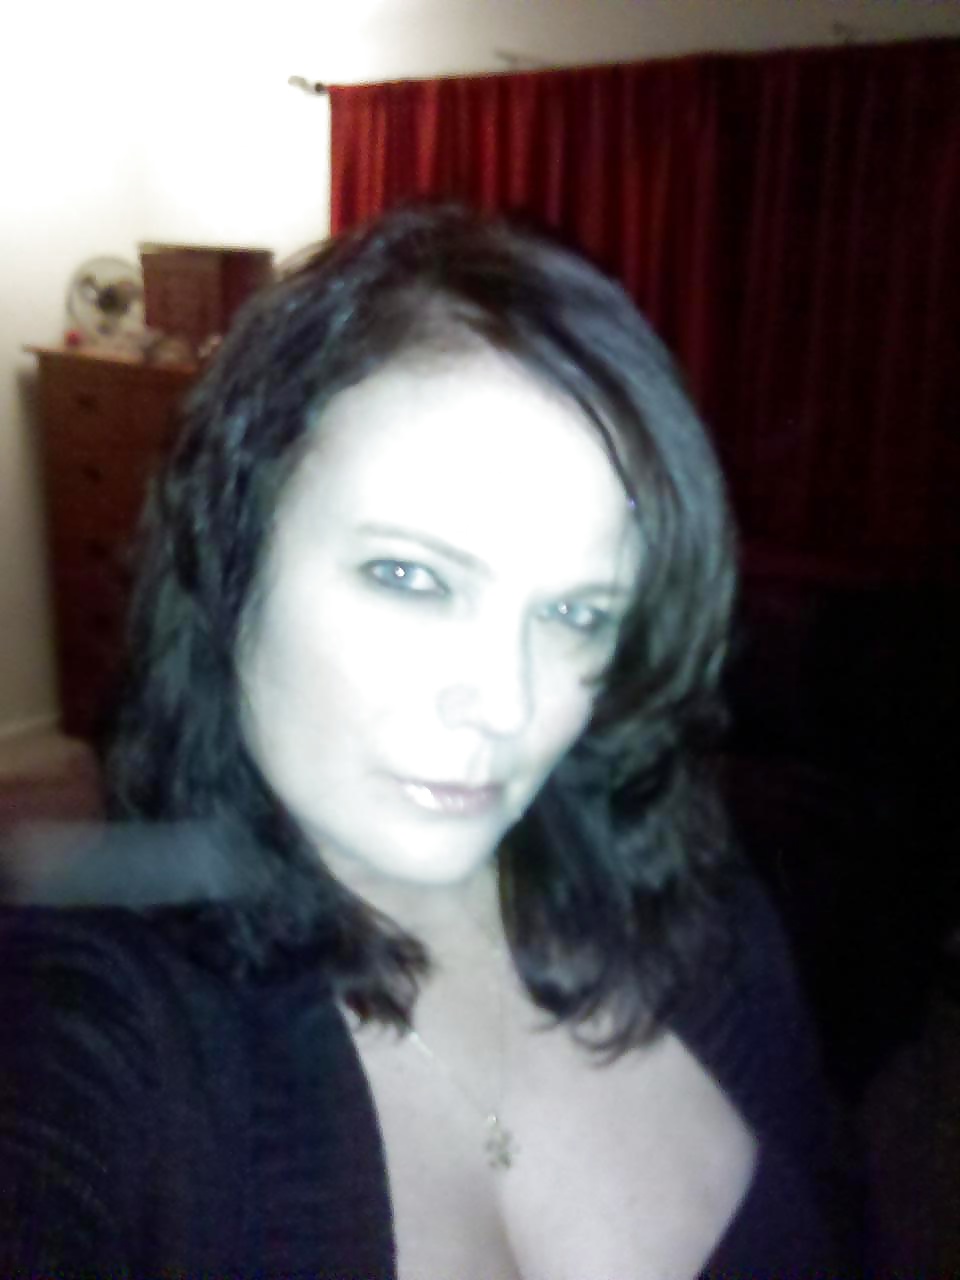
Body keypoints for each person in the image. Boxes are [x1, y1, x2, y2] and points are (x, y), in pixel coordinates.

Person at [0, 204, 861, 1277]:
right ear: (232, 551)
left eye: (576, 612)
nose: (505, 703)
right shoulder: (94, 1026)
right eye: (411, 576)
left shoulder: (709, 922)